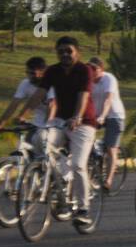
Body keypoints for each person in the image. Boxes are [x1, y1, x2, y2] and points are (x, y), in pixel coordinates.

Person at [18, 37, 99, 225]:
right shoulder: (53, 71)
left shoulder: (84, 70)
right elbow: (39, 94)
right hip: (61, 121)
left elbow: (83, 95)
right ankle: (57, 177)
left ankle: (83, 209)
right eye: (61, 51)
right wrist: (23, 114)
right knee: (39, 138)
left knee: (78, 164)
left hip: (84, 123)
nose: (65, 54)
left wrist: (77, 116)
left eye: (69, 51)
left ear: (77, 52)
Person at [0, 57, 55, 140]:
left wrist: (47, 126)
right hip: (39, 120)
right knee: (28, 141)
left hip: (57, 120)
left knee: (44, 141)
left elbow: (52, 106)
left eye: (33, 73)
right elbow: (13, 105)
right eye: (27, 72)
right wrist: (0, 124)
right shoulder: (25, 83)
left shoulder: (51, 84)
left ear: (43, 72)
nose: (29, 76)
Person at [88, 56, 126, 193]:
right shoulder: (88, 81)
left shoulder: (109, 79)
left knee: (111, 149)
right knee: (86, 141)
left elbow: (108, 100)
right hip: (97, 116)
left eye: (94, 68)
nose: (92, 71)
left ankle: (108, 181)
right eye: (89, 69)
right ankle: (97, 161)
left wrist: (103, 116)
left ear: (101, 69)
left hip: (114, 116)